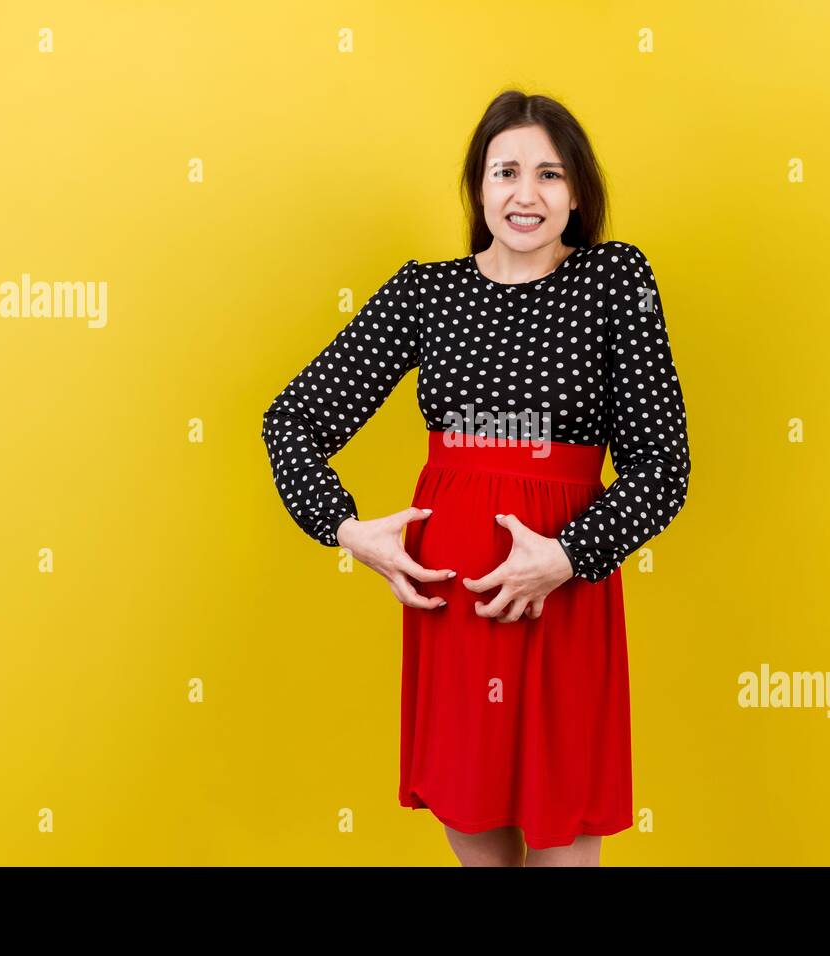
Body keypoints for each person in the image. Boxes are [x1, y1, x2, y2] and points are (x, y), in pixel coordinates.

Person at [261, 90, 691, 866]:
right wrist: (350, 531)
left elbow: (664, 467)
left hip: (565, 597)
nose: (526, 194)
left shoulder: (614, 279)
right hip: (456, 604)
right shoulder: (429, 293)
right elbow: (290, 420)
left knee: (566, 850)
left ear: (578, 193)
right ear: (479, 186)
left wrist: (565, 557)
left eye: (550, 175)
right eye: (506, 172)